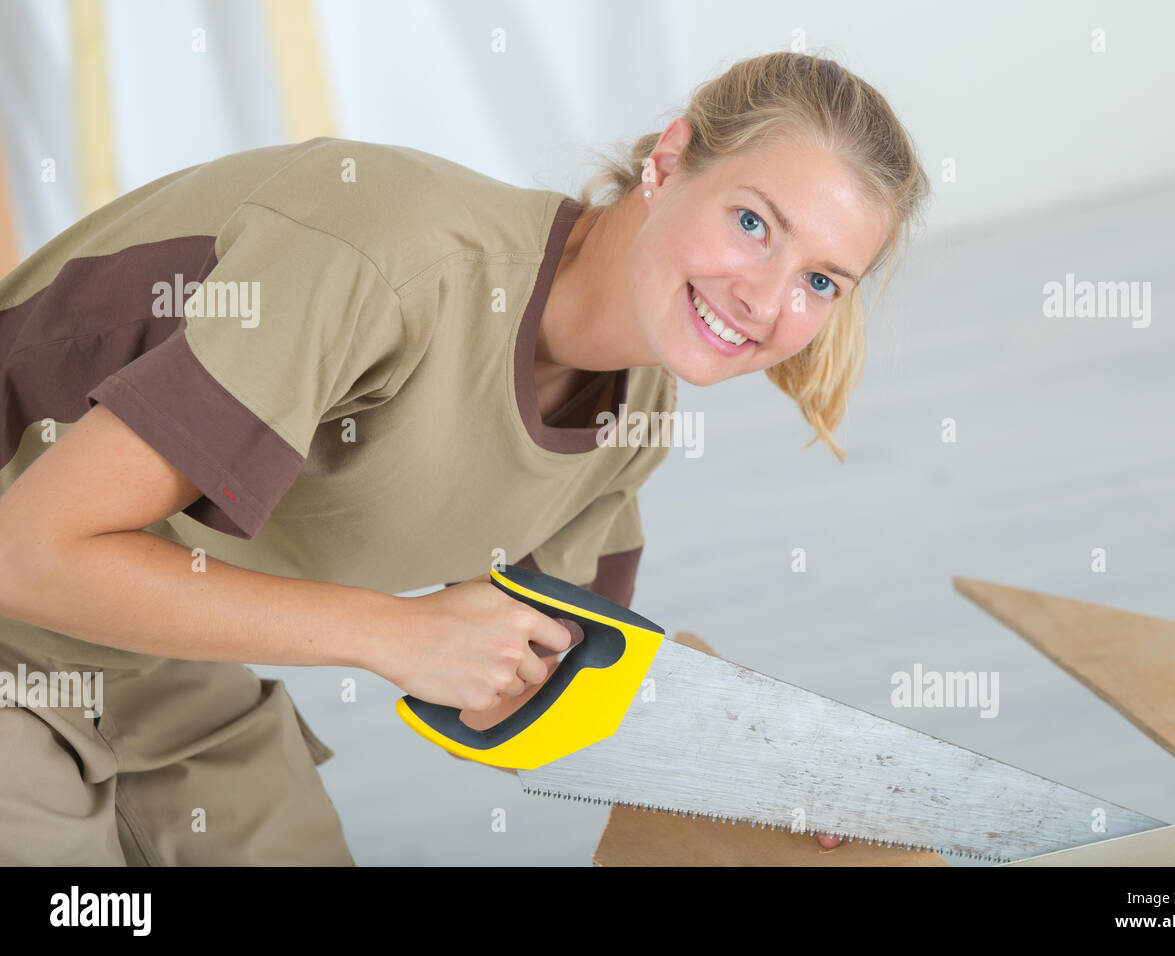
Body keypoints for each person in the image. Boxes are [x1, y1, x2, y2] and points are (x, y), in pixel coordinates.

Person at [0, 51, 929, 864]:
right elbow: (29, 555)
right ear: (670, 159)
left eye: (819, 281)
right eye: (753, 223)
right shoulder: (391, 259)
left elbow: (515, 695)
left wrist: (743, 771)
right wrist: (392, 634)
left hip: (162, 654)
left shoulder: (634, 412)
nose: (768, 298)